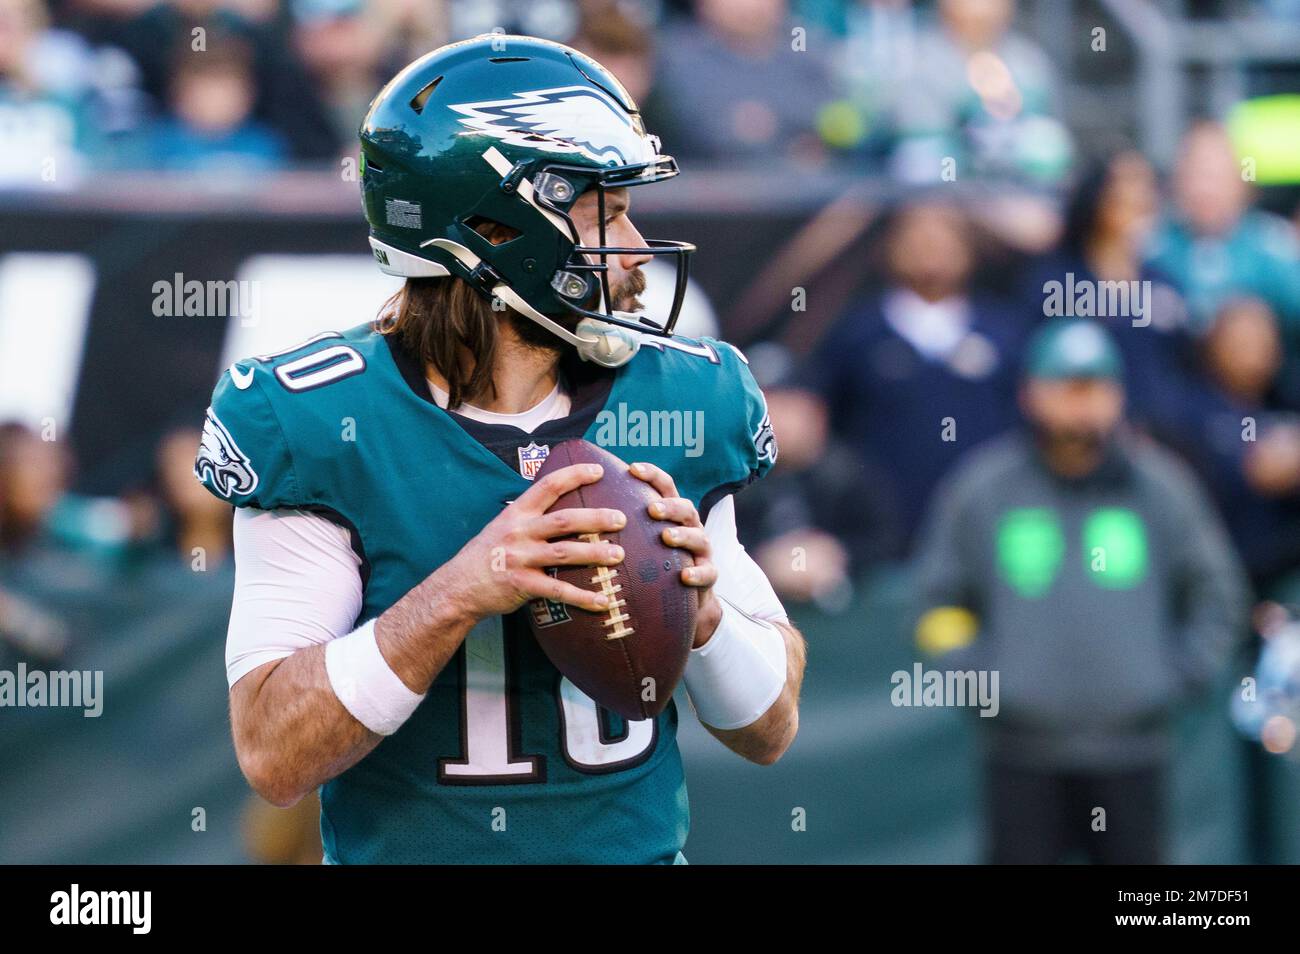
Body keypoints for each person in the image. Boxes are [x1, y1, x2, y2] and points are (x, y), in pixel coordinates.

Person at [193, 34, 806, 865]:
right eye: (606, 210)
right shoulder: (317, 418)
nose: (633, 250)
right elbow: (273, 754)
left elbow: (771, 730)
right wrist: (459, 592)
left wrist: (703, 620)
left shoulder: (686, 398)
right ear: (498, 224)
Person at [912, 319, 1249, 863]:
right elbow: (937, 603)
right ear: (1029, 393)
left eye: (1095, 387)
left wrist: (1176, 676)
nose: (1082, 405)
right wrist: (981, 680)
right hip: (1021, 753)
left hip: (1133, 752)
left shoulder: (1162, 488)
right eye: (1067, 386)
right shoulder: (983, 490)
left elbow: (1219, 595)